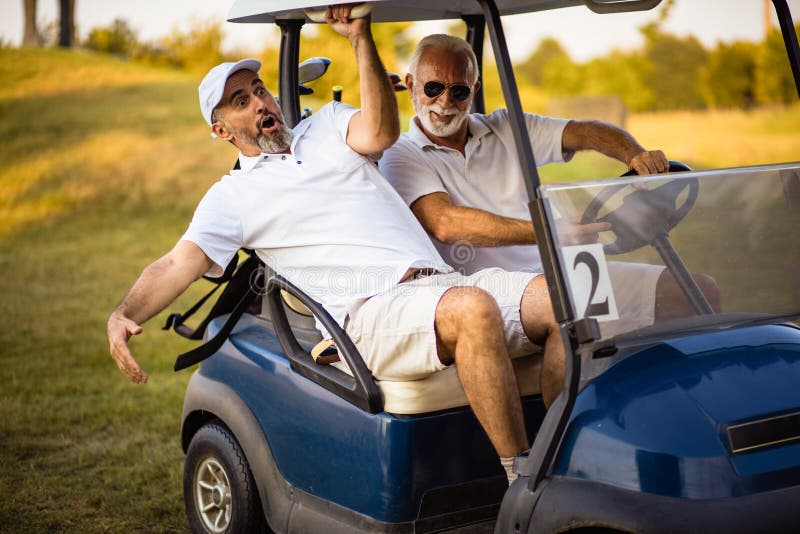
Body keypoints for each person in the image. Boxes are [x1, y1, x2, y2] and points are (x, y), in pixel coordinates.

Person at [107, 6, 576, 485]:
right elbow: (175, 263)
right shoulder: (231, 198)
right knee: (473, 308)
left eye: (260, 91)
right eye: (240, 102)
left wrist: (360, 39)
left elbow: (381, 130)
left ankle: (564, 459)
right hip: (368, 313)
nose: (260, 104)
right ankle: (526, 483)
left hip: (439, 286)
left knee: (565, 304)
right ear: (221, 129)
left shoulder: (327, 124)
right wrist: (125, 313)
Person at [379, 34, 721, 345]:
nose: (445, 102)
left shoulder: (505, 127)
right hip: (495, 290)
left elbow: (587, 132)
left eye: (459, 91)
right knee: (572, 321)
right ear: (411, 85)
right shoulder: (401, 152)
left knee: (697, 290)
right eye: (434, 88)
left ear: (475, 88)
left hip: (569, 271)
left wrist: (635, 154)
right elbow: (446, 223)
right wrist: (550, 232)